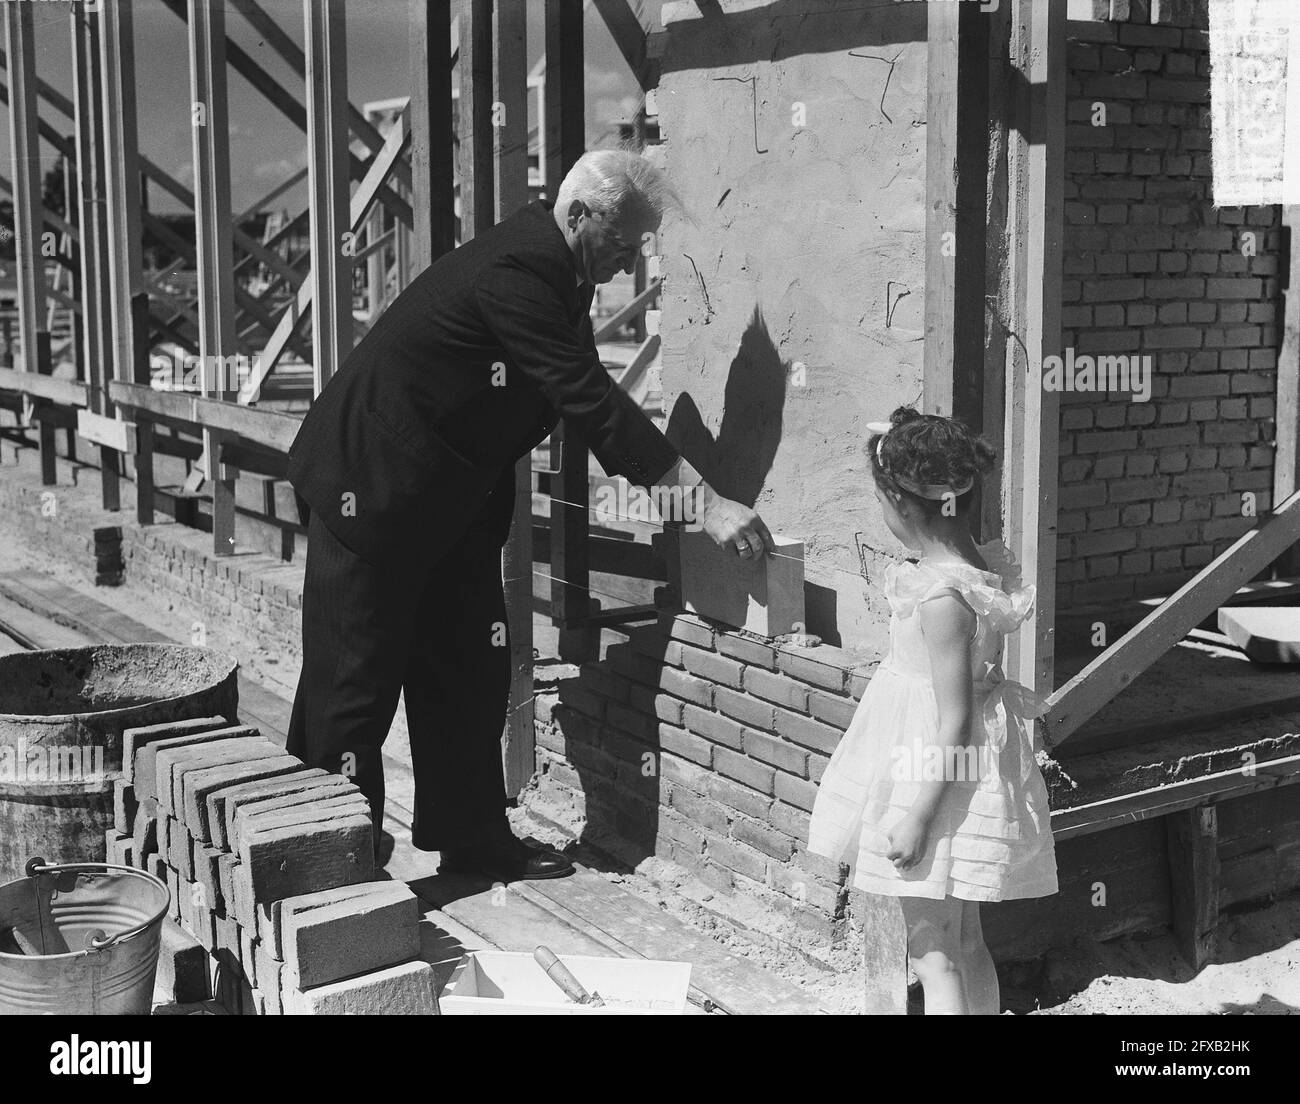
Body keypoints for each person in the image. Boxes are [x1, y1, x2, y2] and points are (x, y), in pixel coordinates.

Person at [285, 149, 774, 882]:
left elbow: (573, 392)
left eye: (640, 244)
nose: (628, 260)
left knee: (469, 672)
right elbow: (587, 395)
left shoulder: (557, 267)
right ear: (579, 214)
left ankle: (473, 838)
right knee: (351, 689)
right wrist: (702, 504)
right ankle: (328, 864)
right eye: (620, 241)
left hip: (445, 505)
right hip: (372, 493)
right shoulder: (516, 272)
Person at [807, 407, 1058, 1014]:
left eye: (880, 500)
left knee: (931, 952)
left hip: (931, 775)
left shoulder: (941, 597)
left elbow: (954, 717)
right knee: (964, 941)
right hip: (961, 773)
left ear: (901, 502)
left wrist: (918, 814)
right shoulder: (980, 566)